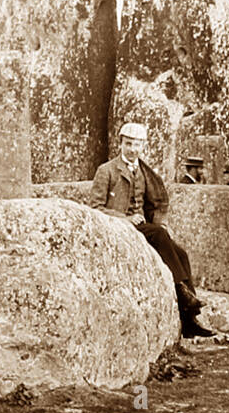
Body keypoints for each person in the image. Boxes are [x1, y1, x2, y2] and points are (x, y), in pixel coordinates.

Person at [91, 123, 214, 337]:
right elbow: (95, 207)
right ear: (121, 144)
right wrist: (125, 218)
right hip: (118, 227)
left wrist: (161, 222)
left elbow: (155, 205)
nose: (132, 149)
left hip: (143, 228)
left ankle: (190, 317)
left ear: (143, 146)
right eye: (128, 144)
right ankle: (183, 293)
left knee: (181, 254)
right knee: (158, 234)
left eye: (137, 145)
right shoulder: (107, 170)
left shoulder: (145, 172)